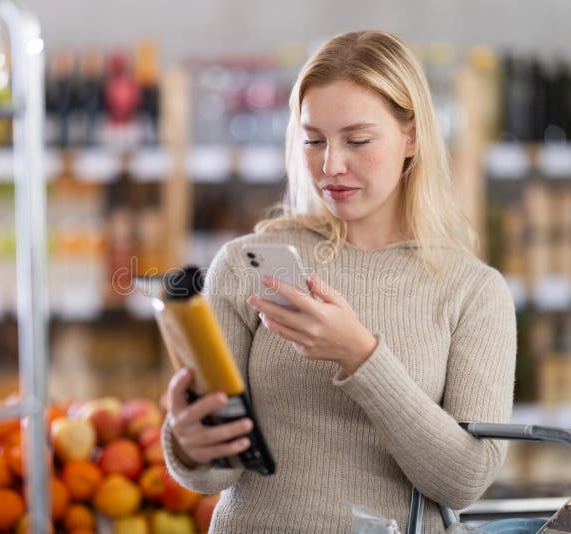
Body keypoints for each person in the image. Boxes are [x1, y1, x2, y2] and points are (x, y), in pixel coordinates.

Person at [161, 30, 516, 533]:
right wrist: (189, 443)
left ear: (411, 136)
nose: (331, 165)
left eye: (357, 140)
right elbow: (217, 475)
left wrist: (361, 355)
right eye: (313, 140)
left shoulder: (472, 291)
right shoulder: (247, 265)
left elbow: (464, 480)